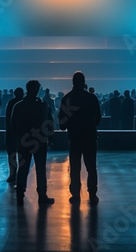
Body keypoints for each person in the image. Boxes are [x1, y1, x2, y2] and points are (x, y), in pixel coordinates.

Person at [59, 72, 101, 204]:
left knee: (75, 168)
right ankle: (92, 194)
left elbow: (62, 124)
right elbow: (98, 118)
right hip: (89, 137)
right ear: (83, 82)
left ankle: (75, 194)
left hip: (75, 138)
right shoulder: (91, 98)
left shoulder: (67, 99)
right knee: (91, 168)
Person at [11, 80, 55, 206]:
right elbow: (49, 122)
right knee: (40, 169)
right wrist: (51, 138)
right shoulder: (42, 105)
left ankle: (20, 194)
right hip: (39, 142)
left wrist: (18, 139)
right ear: (37, 90)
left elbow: (13, 125)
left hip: (24, 142)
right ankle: (42, 195)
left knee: (23, 168)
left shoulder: (19, 106)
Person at [5, 87, 25, 185]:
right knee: (22, 155)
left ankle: (12, 174)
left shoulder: (11, 103)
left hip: (11, 132)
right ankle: (20, 176)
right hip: (22, 133)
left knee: (11, 154)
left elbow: (8, 119)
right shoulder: (25, 103)